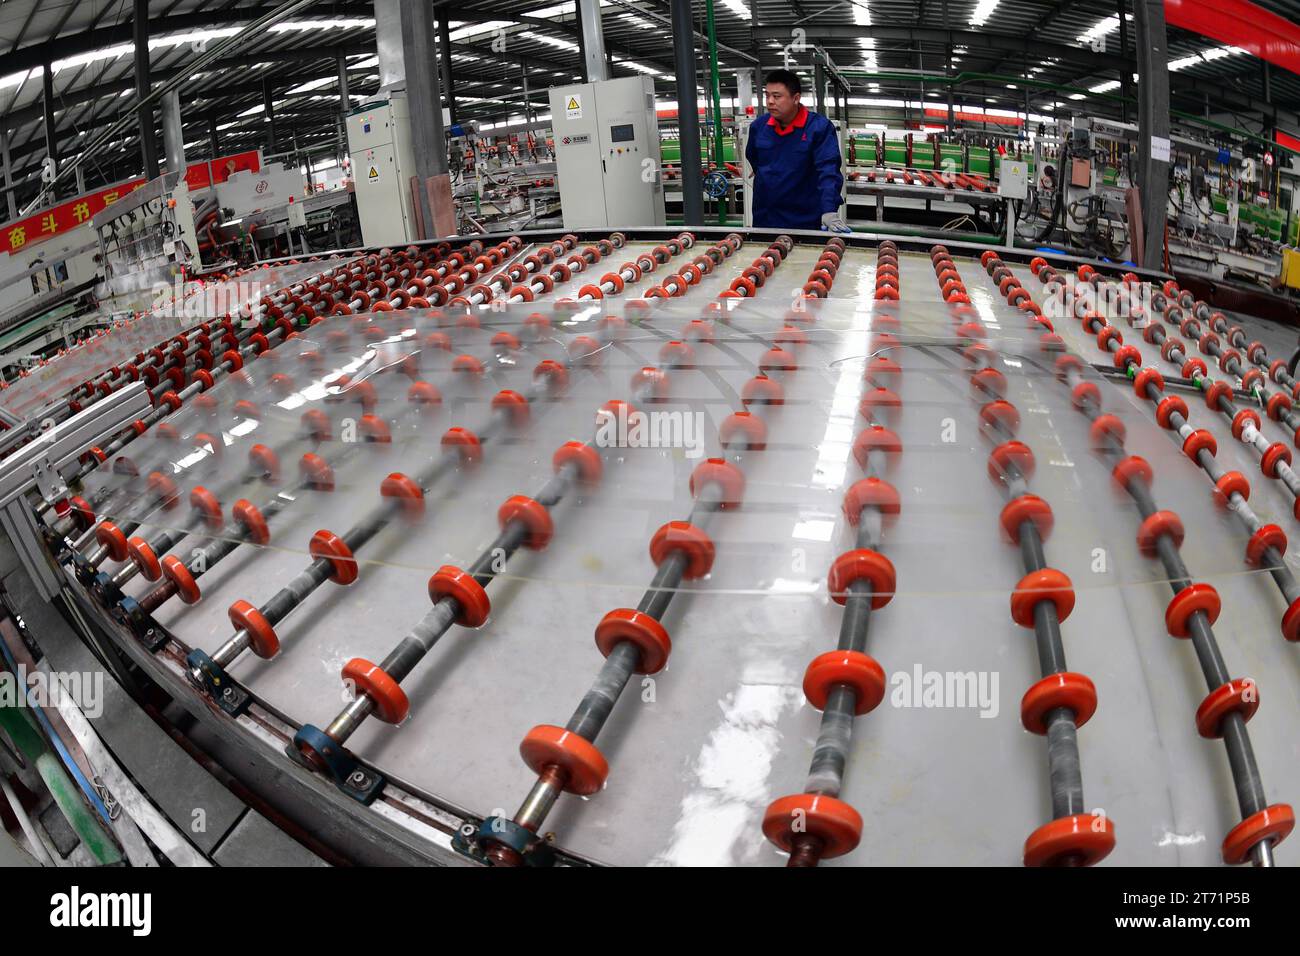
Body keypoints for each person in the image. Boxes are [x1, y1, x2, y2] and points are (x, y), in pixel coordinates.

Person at [744, 69, 849, 233]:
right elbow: (753, 158)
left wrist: (829, 209)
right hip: (765, 218)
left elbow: (828, 170)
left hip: (804, 221)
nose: (770, 101)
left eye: (777, 96)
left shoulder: (818, 128)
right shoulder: (759, 127)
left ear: (796, 98)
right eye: (767, 95)